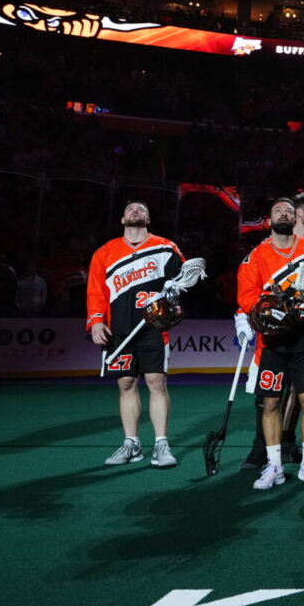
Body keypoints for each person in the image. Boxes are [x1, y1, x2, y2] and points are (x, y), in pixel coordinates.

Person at [236, 196, 304, 489]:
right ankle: (273, 466)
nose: (284, 214)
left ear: (294, 217)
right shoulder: (256, 256)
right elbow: (245, 295)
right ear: (269, 219)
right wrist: (266, 308)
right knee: (270, 403)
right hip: (271, 343)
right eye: (278, 211)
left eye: (288, 210)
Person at [87, 200, 185, 467]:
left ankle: (161, 445)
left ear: (148, 219)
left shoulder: (166, 247)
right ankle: (132, 444)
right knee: (126, 385)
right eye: (130, 208)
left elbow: (184, 280)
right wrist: (96, 321)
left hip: (154, 328)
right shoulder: (105, 253)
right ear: (122, 219)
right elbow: (96, 291)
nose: (135, 211)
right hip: (118, 330)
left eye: (142, 209)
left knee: (156, 383)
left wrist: (175, 302)